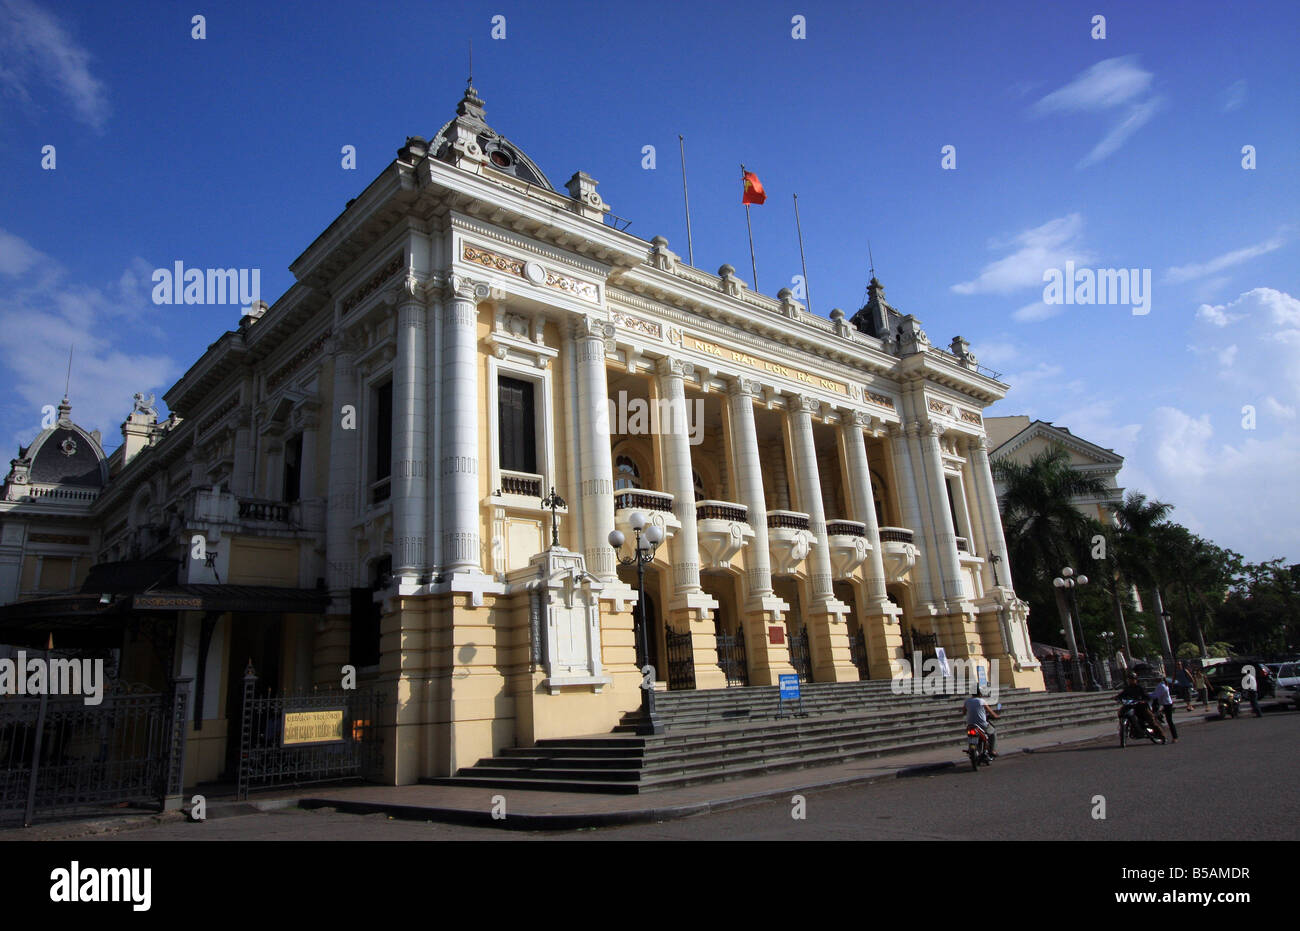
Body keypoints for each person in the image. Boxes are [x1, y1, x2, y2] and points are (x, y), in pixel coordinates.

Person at [1115, 672, 1165, 739]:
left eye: (1132, 679)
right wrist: (1117, 697)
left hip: (1141, 707)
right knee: (1122, 712)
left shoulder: (1140, 687)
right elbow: (1122, 694)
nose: (1131, 680)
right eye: (1129, 679)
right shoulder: (1128, 688)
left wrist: (1143, 700)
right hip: (1131, 706)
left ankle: (1162, 736)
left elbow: (1147, 696)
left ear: (1136, 680)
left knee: (1151, 720)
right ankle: (1128, 729)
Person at [964, 688, 999, 757]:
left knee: (970, 735)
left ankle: (971, 748)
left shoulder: (967, 701)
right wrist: (996, 716)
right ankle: (992, 750)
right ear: (980, 693)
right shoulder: (981, 701)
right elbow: (990, 712)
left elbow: (963, 712)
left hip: (970, 724)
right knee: (993, 733)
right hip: (982, 724)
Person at [1151, 677, 1179, 742]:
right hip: (1164, 704)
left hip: (1167, 704)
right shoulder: (1161, 685)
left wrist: (1147, 695)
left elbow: (1156, 695)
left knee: (1169, 721)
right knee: (1156, 717)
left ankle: (1175, 737)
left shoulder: (1161, 686)